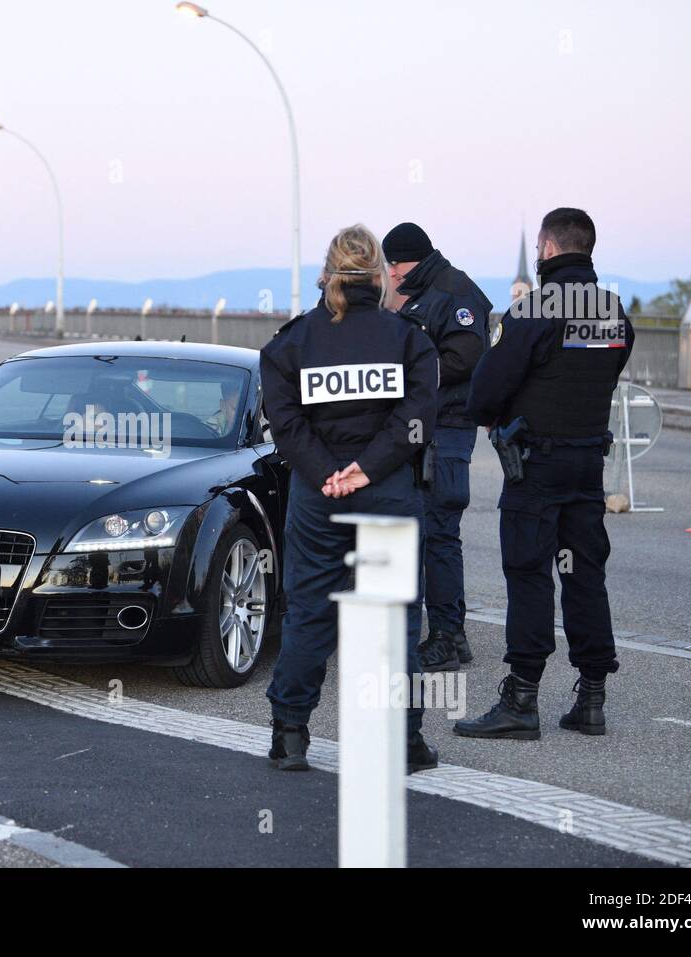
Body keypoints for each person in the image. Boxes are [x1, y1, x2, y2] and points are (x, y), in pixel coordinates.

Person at [260, 224, 440, 774]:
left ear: (327, 274)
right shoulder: (408, 338)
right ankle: (403, 741)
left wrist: (328, 473)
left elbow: (285, 425)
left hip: (319, 498)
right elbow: (418, 420)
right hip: (386, 492)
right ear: (380, 273)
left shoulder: (291, 343)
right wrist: (368, 468)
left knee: (310, 613)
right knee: (396, 618)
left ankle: (290, 735)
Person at [455, 207, 634, 740]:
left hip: (536, 466)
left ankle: (522, 701)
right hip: (587, 463)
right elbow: (610, 369)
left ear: (549, 249)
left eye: (538, 249)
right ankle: (592, 697)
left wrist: (502, 415)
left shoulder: (532, 310)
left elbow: (483, 392)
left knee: (530, 572)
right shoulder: (613, 310)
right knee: (584, 574)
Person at [383, 223, 493, 673]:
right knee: (428, 533)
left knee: (439, 532)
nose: (390, 273)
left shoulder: (454, 292)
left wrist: (410, 375)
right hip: (426, 428)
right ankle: (452, 635)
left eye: (394, 264)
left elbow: (466, 358)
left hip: (447, 428)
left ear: (414, 259)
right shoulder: (426, 289)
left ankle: (447, 637)